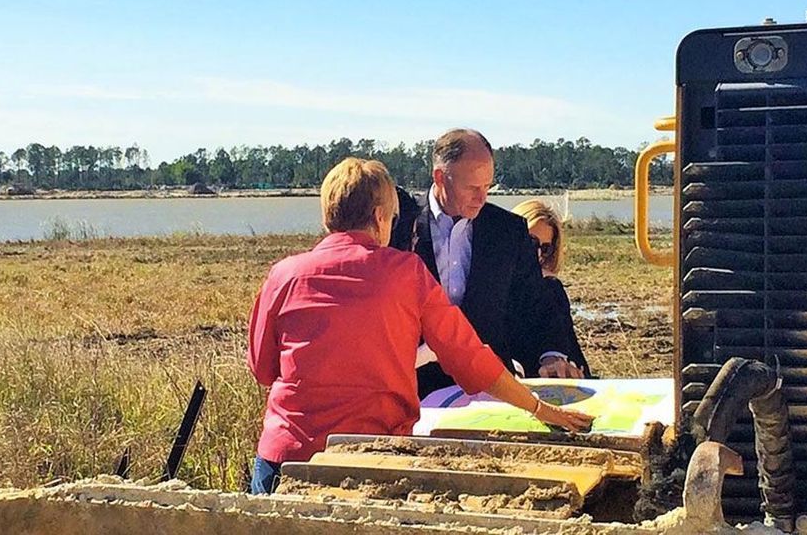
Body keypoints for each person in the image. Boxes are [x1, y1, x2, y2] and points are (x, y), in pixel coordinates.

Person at [248, 157, 593, 494]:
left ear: (327, 217)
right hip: (368, 457)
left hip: (284, 457)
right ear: (380, 217)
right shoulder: (407, 272)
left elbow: (263, 369)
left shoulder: (283, 274)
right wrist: (539, 408)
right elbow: (470, 358)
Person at [392, 129, 583, 399]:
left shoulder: (509, 230)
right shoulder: (398, 225)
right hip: (411, 391)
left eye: (487, 187)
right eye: (472, 187)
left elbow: (534, 306)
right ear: (440, 177)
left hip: (489, 391)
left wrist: (550, 355)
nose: (481, 198)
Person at [513, 200, 591, 378]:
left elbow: (557, 333)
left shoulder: (549, 288)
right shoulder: (485, 282)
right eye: (531, 242)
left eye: (545, 248)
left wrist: (553, 358)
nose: (537, 253)